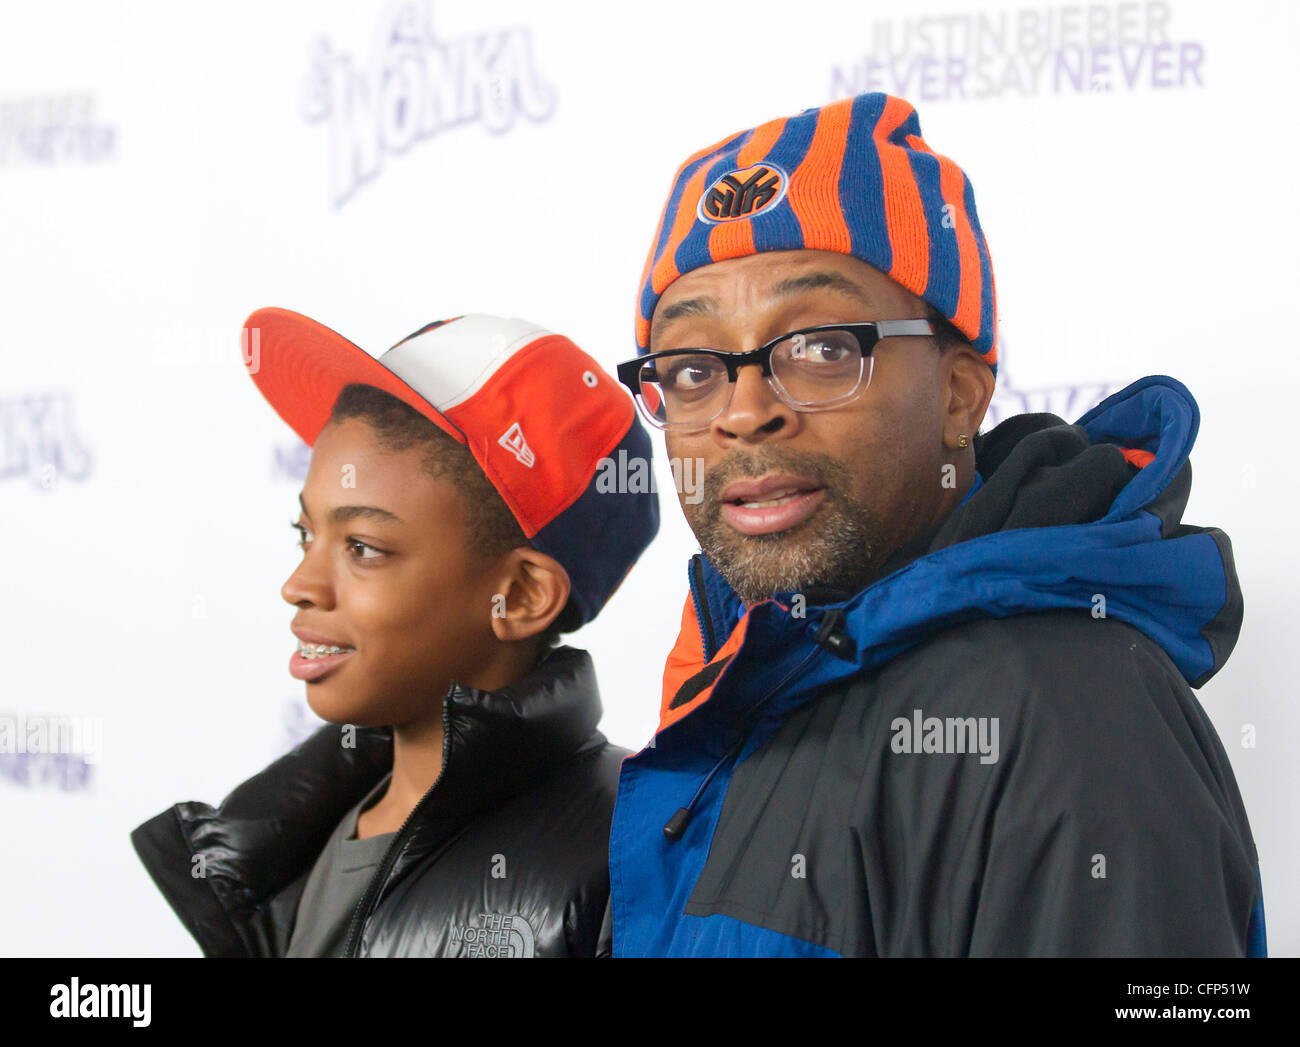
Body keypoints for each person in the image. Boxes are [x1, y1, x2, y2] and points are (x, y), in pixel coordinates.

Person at [606, 91, 1266, 957]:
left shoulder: (1072, 719)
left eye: (822, 347)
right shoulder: (752, 683)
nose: (744, 411)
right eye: (693, 367)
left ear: (960, 395)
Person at [131, 310, 658, 957]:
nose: (300, 583)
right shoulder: (281, 848)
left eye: (363, 546)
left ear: (519, 595)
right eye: (307, 534)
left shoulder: (632, 861)